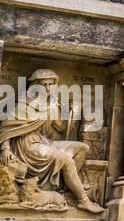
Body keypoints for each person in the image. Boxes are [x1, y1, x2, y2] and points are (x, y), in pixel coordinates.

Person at [0, 68, 102, 213]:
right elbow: (6, 128)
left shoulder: (51, 104)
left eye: (50, 84)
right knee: (66, 160)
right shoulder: (24, 103)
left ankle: (65, 189)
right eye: (44, 84)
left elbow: (60, 128)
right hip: (27, 145)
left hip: (44, 143)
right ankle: (83, 200)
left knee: (82, 148)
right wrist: (5, 148)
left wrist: (72, 111)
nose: (47, 88)